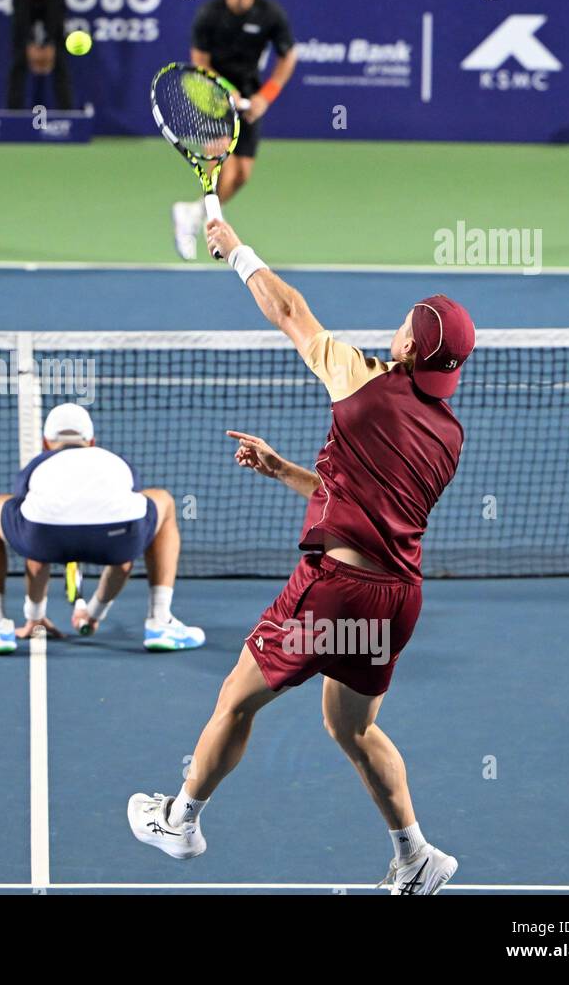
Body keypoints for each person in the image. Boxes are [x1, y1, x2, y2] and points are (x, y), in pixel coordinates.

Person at [128, 218, 475, 896]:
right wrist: (286, 470)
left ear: (411, 344)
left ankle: (181, 819)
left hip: (334, 590)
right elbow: (372, 498)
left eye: (404, 324)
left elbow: (289, 311)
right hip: (396, 599)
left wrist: (235, 250)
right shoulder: (449, 435)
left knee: (235, 698)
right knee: (352, 727)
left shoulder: (364, 380)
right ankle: (417, 854)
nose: (395, 329)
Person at [0, 403, 204, 654]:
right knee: (163, 502)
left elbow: (36, 562)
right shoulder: (114, 462)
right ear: (91, 441)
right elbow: (124, 563)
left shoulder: (38, 465)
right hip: (120, 541)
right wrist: (93, 614)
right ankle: (160, 622)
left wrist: (34, 617)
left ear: (46, 443)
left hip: (44, 538)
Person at [171, 0, 298, 260]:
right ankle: (211, 228)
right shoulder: (209, 16)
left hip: (249, 92)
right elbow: (200, 64)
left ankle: (192, 212)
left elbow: (288, 57)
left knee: (241, 174)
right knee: (222, 165)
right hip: (210, 92)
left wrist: (264, 97)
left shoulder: (270, 14)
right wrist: (225, 93)